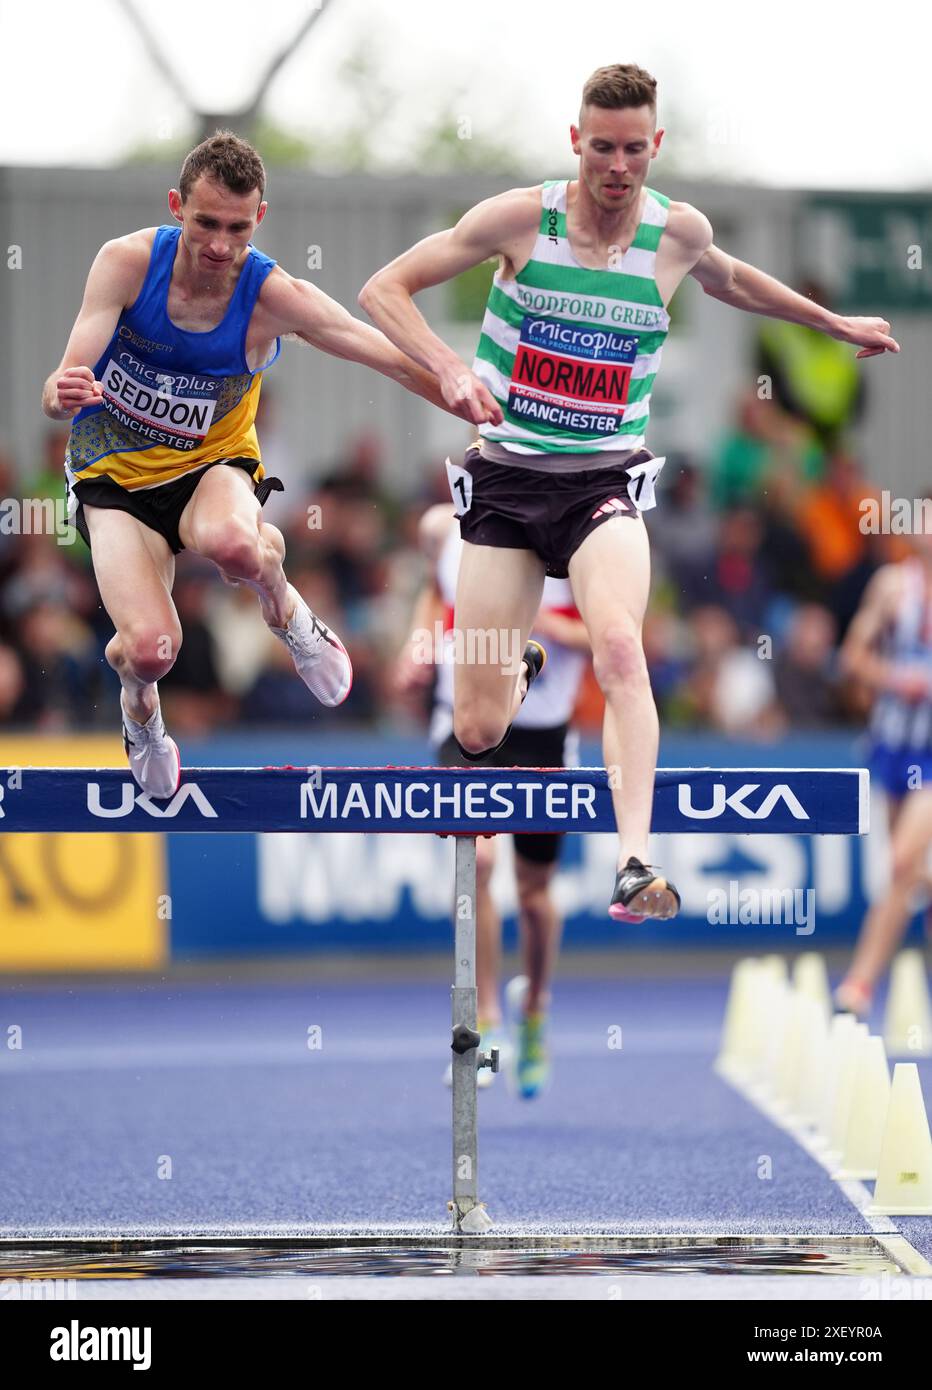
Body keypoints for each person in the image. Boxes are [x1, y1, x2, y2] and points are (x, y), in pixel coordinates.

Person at [358, 62, 898, 923]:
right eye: (601, 148)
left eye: (633, 150)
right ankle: (518, 667)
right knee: (479, 733)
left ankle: (634, 860)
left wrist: (833, 324)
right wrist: (451, 367)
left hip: (603, 479)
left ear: (656, 147)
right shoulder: (518, 220)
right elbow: (382, 290)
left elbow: (737, 280)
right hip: (506, 477)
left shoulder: (675, 234)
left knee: (618, 647)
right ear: (577, 142)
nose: (616, 167)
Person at [41, 131, 487, 797]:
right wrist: (59, 392)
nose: (220, 246)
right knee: (150, 651)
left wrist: (479, 407)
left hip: (209, 469)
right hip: (114, 482)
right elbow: (60, 386)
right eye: (206, 224)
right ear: (175, 207)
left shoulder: (275, 296)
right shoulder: (127, 265)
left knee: (232, 543)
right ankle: (140, 714)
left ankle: (288, 612)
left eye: (238, 229)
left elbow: (387, 357)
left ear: (261, 219)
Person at [395, 498, 589, 1096]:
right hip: (469, 721)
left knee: (533, 894)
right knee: (475, 862)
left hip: (544, 732)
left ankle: (534, 1008)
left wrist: (535, 625)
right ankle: (485, 1023)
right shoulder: (444, 528)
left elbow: (616, 636)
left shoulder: (579, 537)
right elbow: (437, 593)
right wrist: (419, 643)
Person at [835, 517, 932, 1017]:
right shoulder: (894, 586)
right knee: (913, 872)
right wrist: (896, 677)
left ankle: (859, 986)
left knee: (900, 864)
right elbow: (851, 657)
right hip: (894, 744)